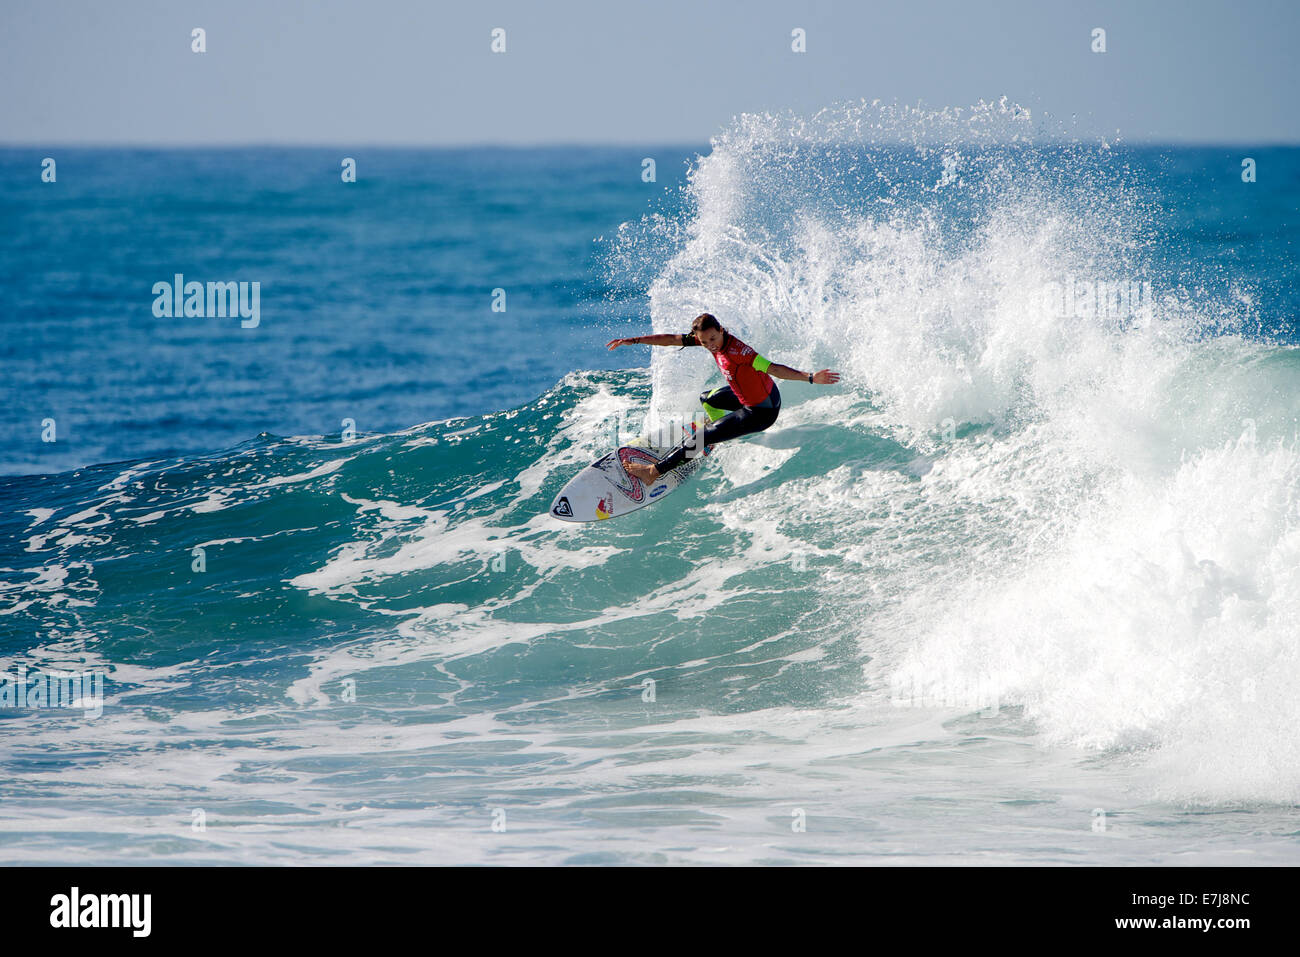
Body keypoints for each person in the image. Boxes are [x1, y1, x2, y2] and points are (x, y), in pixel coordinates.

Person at [606, 312, 840, 485]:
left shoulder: (741, 352)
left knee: (701, 437)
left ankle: (653, 472)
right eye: (704, 342)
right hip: (747, 397)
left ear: (721, 330)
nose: (710, 346)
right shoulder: (707, 339)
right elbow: (672, 339)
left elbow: (775, 369)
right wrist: (634, 340)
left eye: (713, 339)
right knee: (707, 399)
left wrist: (810, 377)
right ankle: (720, 430)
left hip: (761, 411)